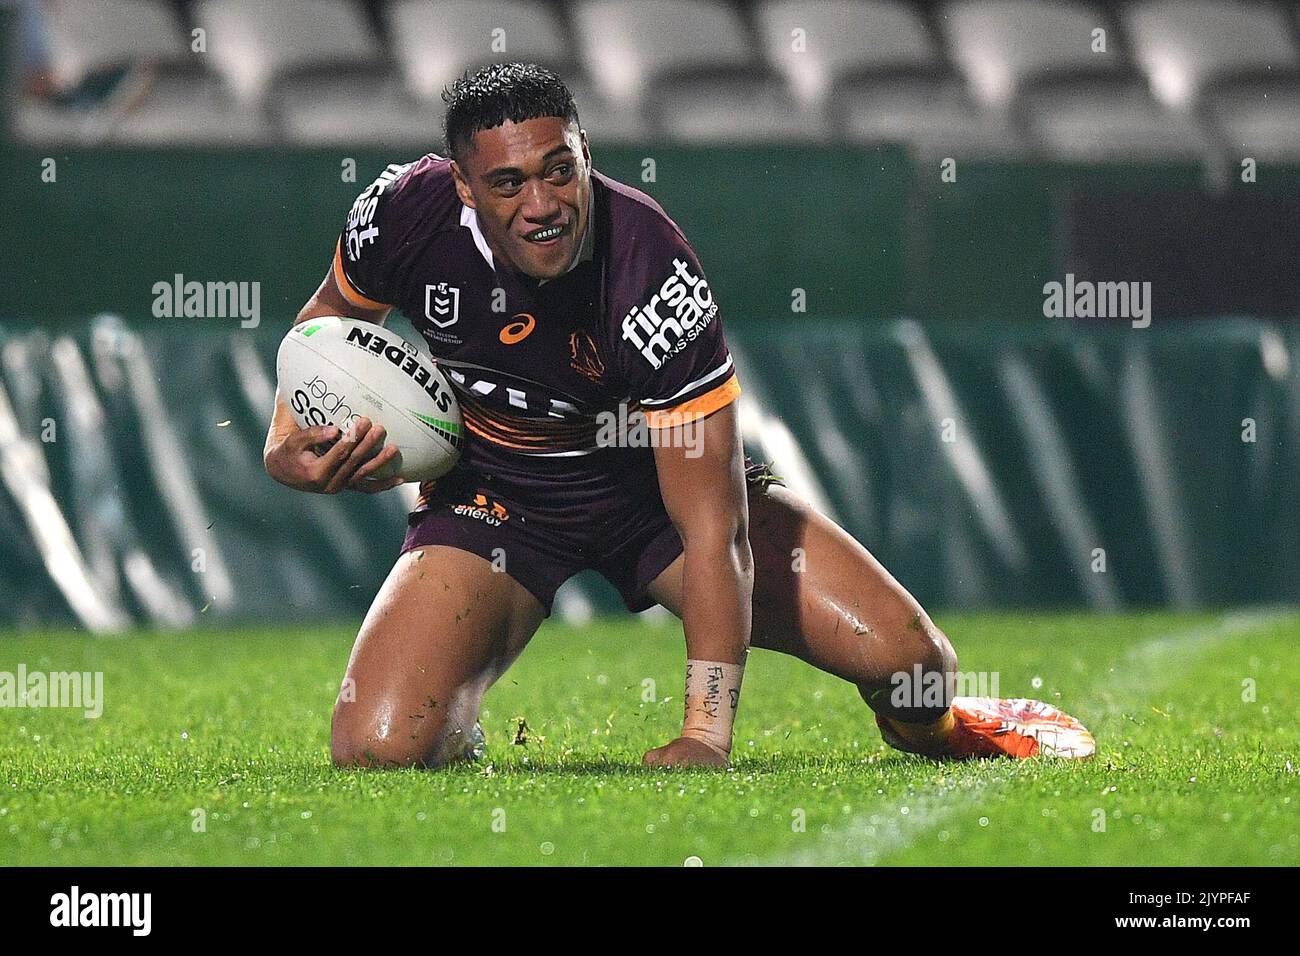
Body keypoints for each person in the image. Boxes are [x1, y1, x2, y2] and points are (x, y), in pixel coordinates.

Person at [264, 63, 1094, 769]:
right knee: (377, 745)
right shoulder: (404, 214)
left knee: (914, 667)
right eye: (508, 182)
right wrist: (283, 446)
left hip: (650, 500)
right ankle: (452, 716)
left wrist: (705, 733)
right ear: (461, 185)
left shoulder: (652, 271)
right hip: (498, 495)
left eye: (560, 169)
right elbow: (323, 328)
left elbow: (713, 529)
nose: (542, 203)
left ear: (587, 152)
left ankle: (944, 729)